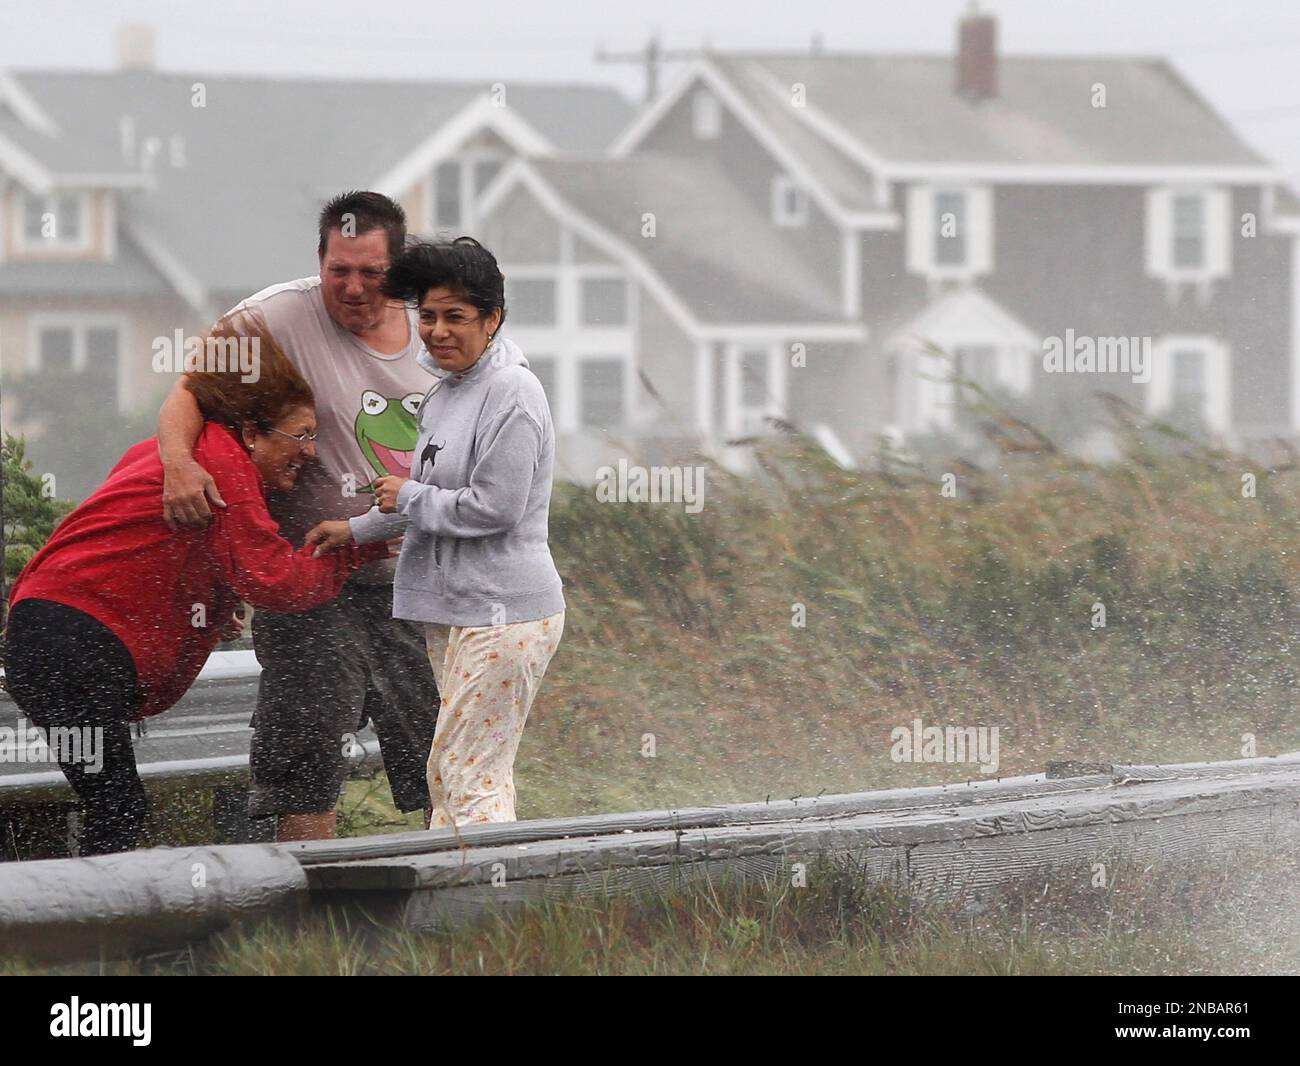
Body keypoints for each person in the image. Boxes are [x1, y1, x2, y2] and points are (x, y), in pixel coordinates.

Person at [4, 320, 392, 855]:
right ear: (251, 432)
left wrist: (205, 599)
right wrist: (363, 542)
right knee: (118, 808)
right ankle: (94, 930)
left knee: (113, 804)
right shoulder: (224, 463)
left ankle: (90, 924)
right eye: (301, 435)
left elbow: (145, 546)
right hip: (76, 645)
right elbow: (274, 581)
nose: (309, 452)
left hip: (48, 632)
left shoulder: (170, 452)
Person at [156, 191, 440, 841]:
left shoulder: (437, 332)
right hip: (307, 578)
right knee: (308, 753)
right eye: (339, 269)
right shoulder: (275, 317)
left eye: (371, 273)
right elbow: (188, 393)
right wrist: (179, 463)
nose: (353, 286)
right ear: (320, 261)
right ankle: (308, 915)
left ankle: (449, 901)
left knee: (436, 749)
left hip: (411, 576)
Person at [307, 237, 564, 828]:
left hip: (507, 612)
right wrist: (355, 530)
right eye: (427, 316)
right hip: (452, 610)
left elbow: (495, 508)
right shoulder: (447, 393)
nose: (438, 331)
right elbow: (423, 499)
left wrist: (411, 497)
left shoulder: (513, 393)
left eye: (456, 317)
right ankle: (470, 899)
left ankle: (478, 906)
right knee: (455, 768)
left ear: (493, 320)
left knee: (466, 769)